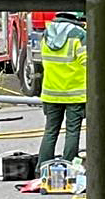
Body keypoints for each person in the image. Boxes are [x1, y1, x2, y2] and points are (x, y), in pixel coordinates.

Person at [37, 12, 87, 167]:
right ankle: (69, 166)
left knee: (50, 131)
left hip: (51, 92)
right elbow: (88, 62)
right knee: (72, 131)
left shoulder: (46, 34)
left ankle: (42, 167)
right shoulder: (79, 35)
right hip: (75, 93)